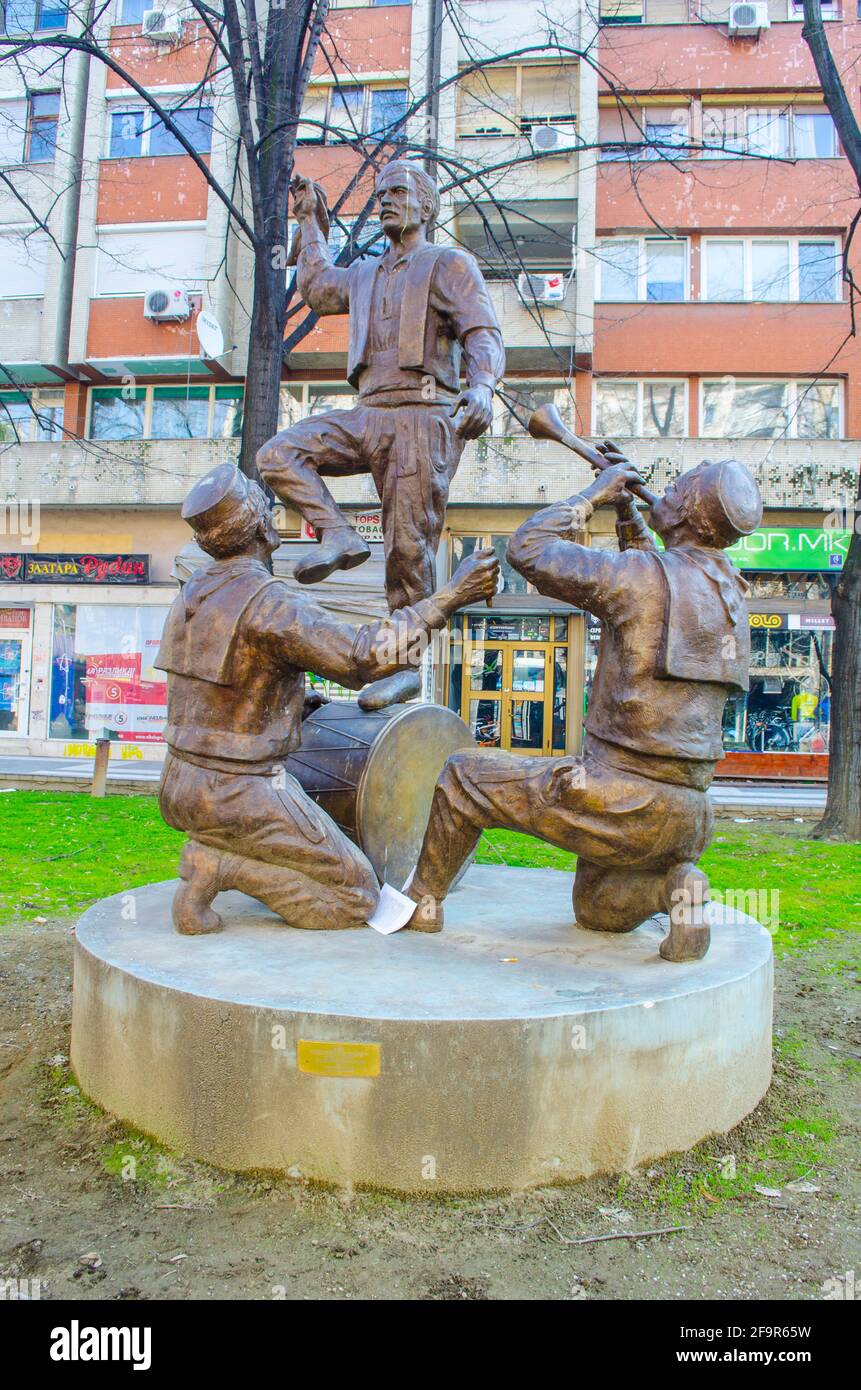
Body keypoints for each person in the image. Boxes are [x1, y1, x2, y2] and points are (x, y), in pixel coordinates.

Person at [405, 452, 763, 962]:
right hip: (688, 817)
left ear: (684, 513)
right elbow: (660, 586)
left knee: (462, 777)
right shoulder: (729, 594)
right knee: (596, 908)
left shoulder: (644, 576)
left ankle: (422, 905)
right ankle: (676, 890)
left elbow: (528, 549)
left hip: (618, 797)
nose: (664, 490)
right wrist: (628, 515)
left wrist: (593, 494)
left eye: (677, 488)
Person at [156, 463, 498, 936]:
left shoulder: (193, 595)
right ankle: (217, 867)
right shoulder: (267, 601)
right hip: (240, 790)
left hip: (178, 784)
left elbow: (219, 688)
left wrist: (291, 701)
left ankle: (219, 856)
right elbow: (361, 660)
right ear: (260, 525)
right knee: (352, 897)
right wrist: (450, 597)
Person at [256, 158, 505, 711]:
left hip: (423, 416)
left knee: (407, 552)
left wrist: (482, 386)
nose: (385, 200)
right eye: (381, 193)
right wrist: (310, 222)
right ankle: (340, 537)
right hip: (369, 411)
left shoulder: (448, 264)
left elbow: (482, 333)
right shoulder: (366, 273)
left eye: (397, 191)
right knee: (278, 454)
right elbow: (319, 288)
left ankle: (406, 667)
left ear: (425, 205)